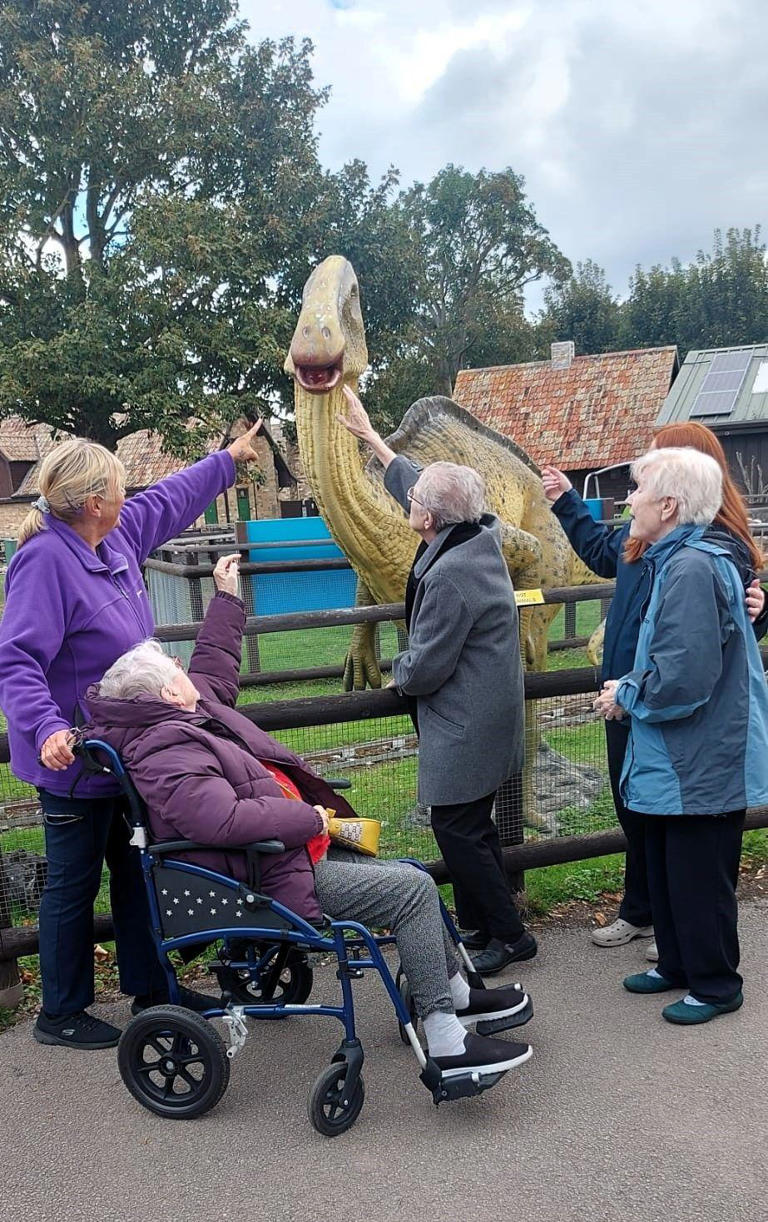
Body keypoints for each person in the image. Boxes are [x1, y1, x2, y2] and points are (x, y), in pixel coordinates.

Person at [86, 554, 534, 1080]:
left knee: (412, 874)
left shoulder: (184, 714)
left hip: (280, 855)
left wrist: (227, 599)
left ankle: (454, 995)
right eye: (175, 671)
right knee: (411, 890)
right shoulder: (164, 749)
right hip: (261, 873)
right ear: (165, 693)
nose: (186, 672)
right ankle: (445, 1039)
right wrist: (306, 819)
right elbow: (220, 822)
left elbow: (213, 669)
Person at [0, 425, 263, 1049]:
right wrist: (45, 729)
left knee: (138, 868)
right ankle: (60, 1013)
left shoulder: (111, 535)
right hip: (74, 756)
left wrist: (226, 461)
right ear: (94, 501)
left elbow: (167, 500)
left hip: (129, 751)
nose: (128, 495)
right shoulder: (45, 562)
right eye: (120, 487)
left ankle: (154, 991)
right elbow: (16, 659)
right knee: (73, 882)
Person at [542, 420, 766, 959]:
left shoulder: (709, 550)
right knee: (638, 808)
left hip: (668, 703)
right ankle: (657, 920)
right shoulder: (652, 541)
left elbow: (716, 635)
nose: (635, 487)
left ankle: (693, 943)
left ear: (679, 488)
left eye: (649, 471)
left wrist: (762, 610)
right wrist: (569, 501)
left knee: (690, 831)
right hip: (632, 698)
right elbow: (602, 551)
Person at [337, 387, 536, 977]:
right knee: (472, 829)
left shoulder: (451, 575)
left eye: (415, 499)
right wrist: (373, 439)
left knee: (457, 831)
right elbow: (426, 483)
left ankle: (509, 934)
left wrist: (396, 673)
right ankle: (481, 924)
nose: (410, 497)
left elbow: (426, 665)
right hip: (487, 714)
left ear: (426, 518)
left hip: (466, 722)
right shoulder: (475, 532)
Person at [593, 447, 768, 1024]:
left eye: (638, 491)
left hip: (700, 757)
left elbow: (685, 677)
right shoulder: (676, 560)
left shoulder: (691, 568)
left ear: (668, 504)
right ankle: (676, 963)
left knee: (698, 875)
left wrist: (627, 694)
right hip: (679, 756)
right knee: (670, 863)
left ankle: (716, 985)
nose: (630, 502)